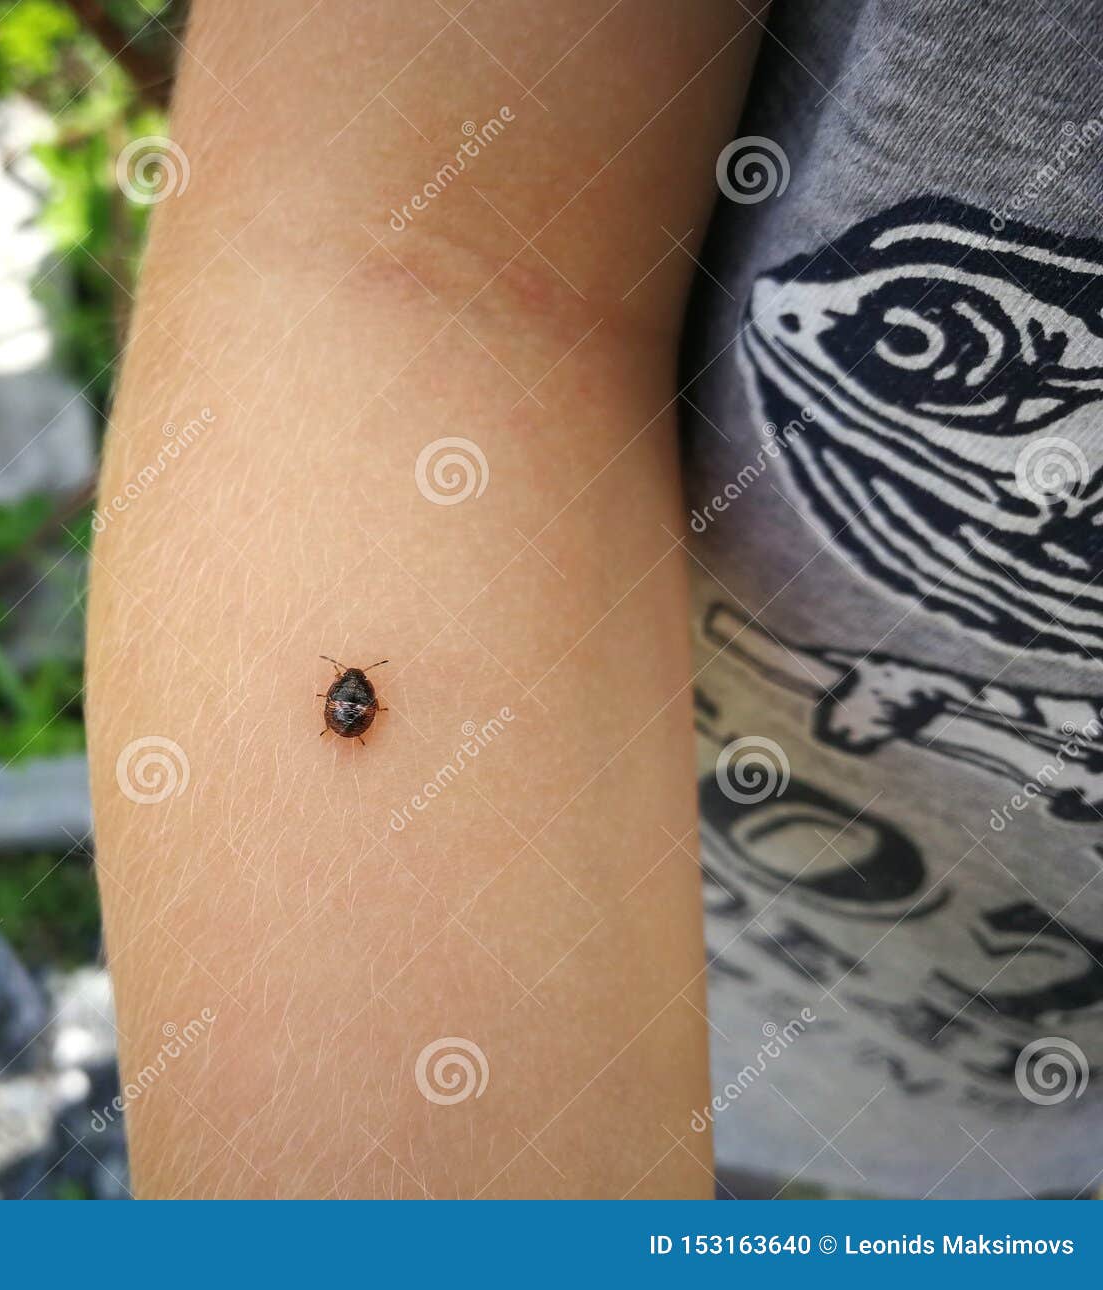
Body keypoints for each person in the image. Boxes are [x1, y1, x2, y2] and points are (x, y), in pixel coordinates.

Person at [86, 0, 1103, 1198]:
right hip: (682, 994)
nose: (353, 705)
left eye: (349, 704)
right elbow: (400, 262)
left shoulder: (359, 697)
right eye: (353, 705)